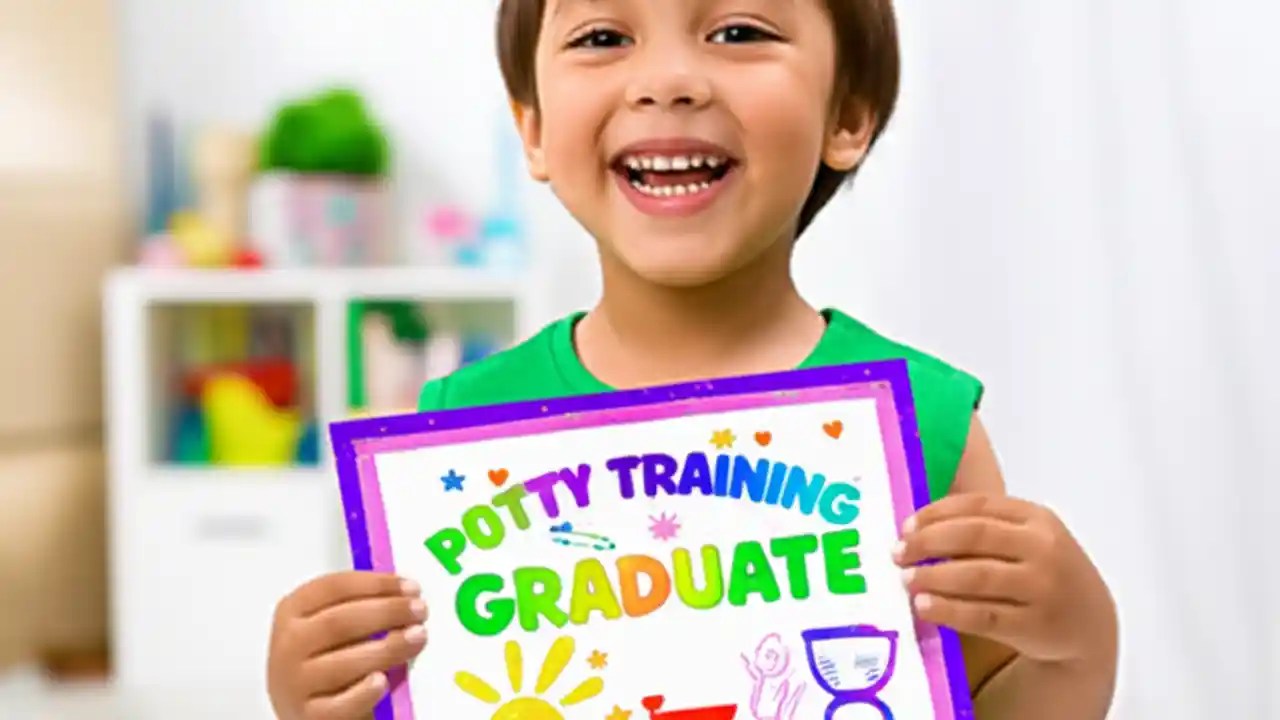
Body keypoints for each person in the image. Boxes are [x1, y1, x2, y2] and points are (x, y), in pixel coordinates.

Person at [266, 0, 1119, 717]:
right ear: (531, 128)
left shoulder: (925, 423)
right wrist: (321, 691)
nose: (667, 80)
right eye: (603, 37)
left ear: (846, 116)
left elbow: (979, 698)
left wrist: (1075, 642)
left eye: (739, 31)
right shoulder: (458, 428)